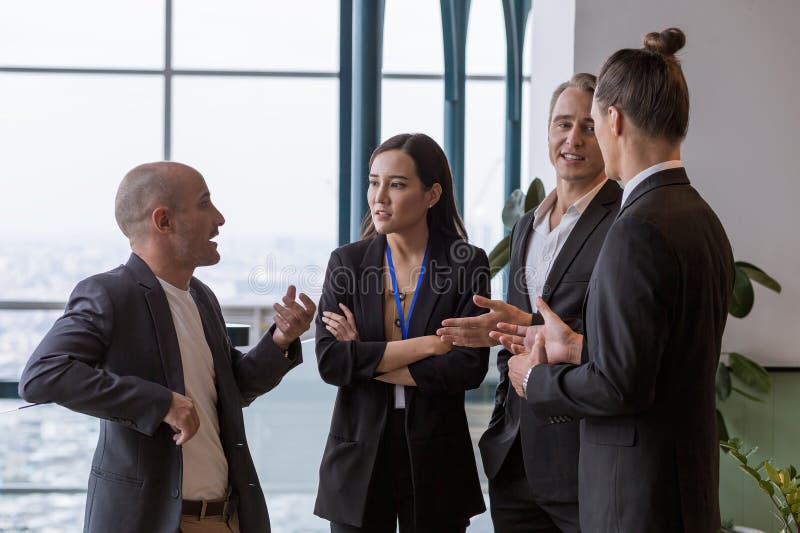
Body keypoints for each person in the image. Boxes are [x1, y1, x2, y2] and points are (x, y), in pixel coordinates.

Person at [493, 28, 735, 533]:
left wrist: (536, 379)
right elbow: (654, 361)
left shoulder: (635, 229)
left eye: (594, 121)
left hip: (634, 497)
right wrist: (579, 346)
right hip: (683, 490)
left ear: (614, 119)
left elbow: (621, 387)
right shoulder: (701, 216)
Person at [18, 162, 315, 533]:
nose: (219, 218)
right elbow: (43, 375)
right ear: (164, 221)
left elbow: (230, 388)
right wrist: (161, 404)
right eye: (205, 203)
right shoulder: (109, 294)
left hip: (227, 518)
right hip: (154, 521)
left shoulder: (202, 297)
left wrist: (279, 341)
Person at [437, 73, 622, 532]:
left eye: (586, 126)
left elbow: (620, 337)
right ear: (547, 133)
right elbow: (515, 340)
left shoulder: (624, 221)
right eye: (562, 124)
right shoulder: (525, 228)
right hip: (514, 462)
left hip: (582, 463)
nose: (573, 139)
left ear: (608, 131)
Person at [312, 133, 489, 532]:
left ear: (432, 194)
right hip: (358, 456)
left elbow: (466, 368)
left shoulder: (466, 263)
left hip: (437, 459)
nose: (380, 197)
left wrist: (363, 357)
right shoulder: (348, 263)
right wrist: (427, 345)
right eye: (374, 182)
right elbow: (330, 361)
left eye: (397, 184)